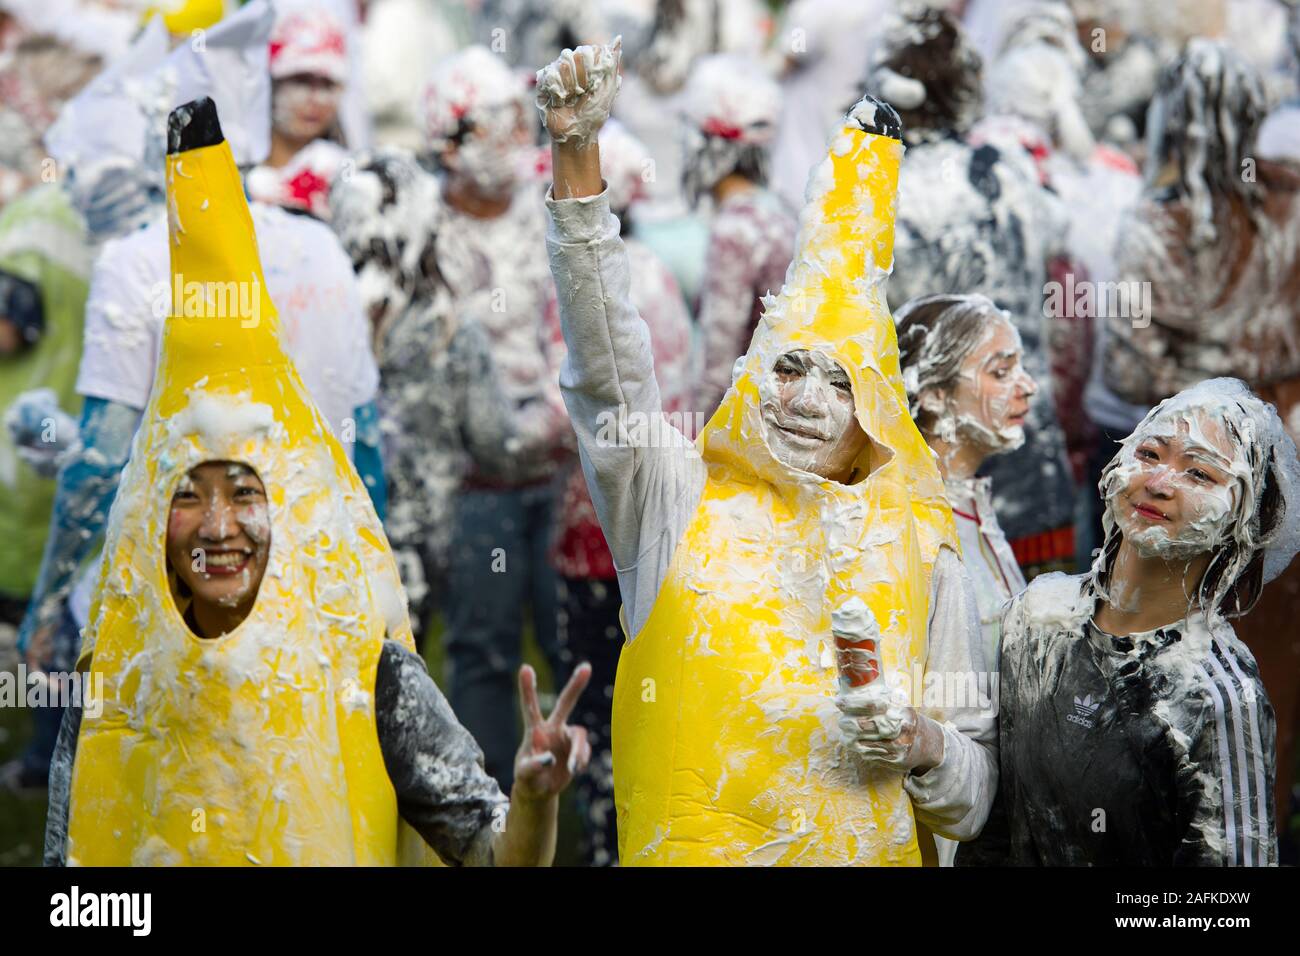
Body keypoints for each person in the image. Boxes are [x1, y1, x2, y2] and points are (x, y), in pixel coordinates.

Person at [44, 99, 591, 867]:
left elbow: (494, 856)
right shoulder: (117, 669)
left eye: (243, 491)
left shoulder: (366, 665)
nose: (216, 525)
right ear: (149, 517)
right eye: (188, 495)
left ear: (291, 506)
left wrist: (534, 800)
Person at [537, 42, 994, 865]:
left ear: (881, 417)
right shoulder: (673, 504)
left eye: (838, 381)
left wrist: (920, 740)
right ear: (751, 378)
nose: (803, 397)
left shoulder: (927, 546)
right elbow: (610, 377)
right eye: (786, 365)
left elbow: (974, 798)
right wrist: (577, 164)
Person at [960, 378, 1297, 866]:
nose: (1159, 483)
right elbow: (994, 820)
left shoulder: (1217, 696)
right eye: (1151, 454)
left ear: (1243, 518)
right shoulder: (1037, 616)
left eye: (1199, 474)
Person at [1101, 40, 1300, 827]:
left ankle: (1180, 828)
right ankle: (1266, 814)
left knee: (1174, 651)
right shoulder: (1292, 202)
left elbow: (1130, 367)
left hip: (1188, 470)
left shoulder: (1157, 223)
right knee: (1272, 650)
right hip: (1285, 454)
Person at [874, 2, 1079, 580]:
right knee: (1039, 644)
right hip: (1029, 444)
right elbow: (1065, 310)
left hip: (931, 469)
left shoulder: (883, 191)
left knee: (945, 651)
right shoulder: (1011, 173)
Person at [421, 45, 572, 793]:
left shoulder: (547, 211)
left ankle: (583, 794)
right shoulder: (423, 232)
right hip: (476, 482)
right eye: (497, 127)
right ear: (448, 142)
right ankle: (487, 811)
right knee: (480, 643)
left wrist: (549, 419)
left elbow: (573, 325)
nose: (517, 141)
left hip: (560, 463)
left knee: (568, 635)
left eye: (522, 124)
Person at [549, 119, 692, 865]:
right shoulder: (663, 277)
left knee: (600, 714)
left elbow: (568, 396)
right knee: (652, 704)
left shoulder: (579, 282)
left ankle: (609, 842)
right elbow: (692, 384)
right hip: (662, 524)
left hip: (592, 525)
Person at [329, 149, 526, 644]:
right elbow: (496, 444)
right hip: (424, 542)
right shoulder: (449, 331)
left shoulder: (312, 324)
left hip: (333, 535)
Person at [682, 54, 797, 418]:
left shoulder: (733, 232)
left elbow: (717, 373)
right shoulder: (783, 211)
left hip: (755, 425)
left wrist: (689, 454)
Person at [245, 2, 351, 220]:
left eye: (327, 85)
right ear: (270, 82)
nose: (315, 98)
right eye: (301, 80)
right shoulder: (233, 176)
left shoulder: (346, 181)